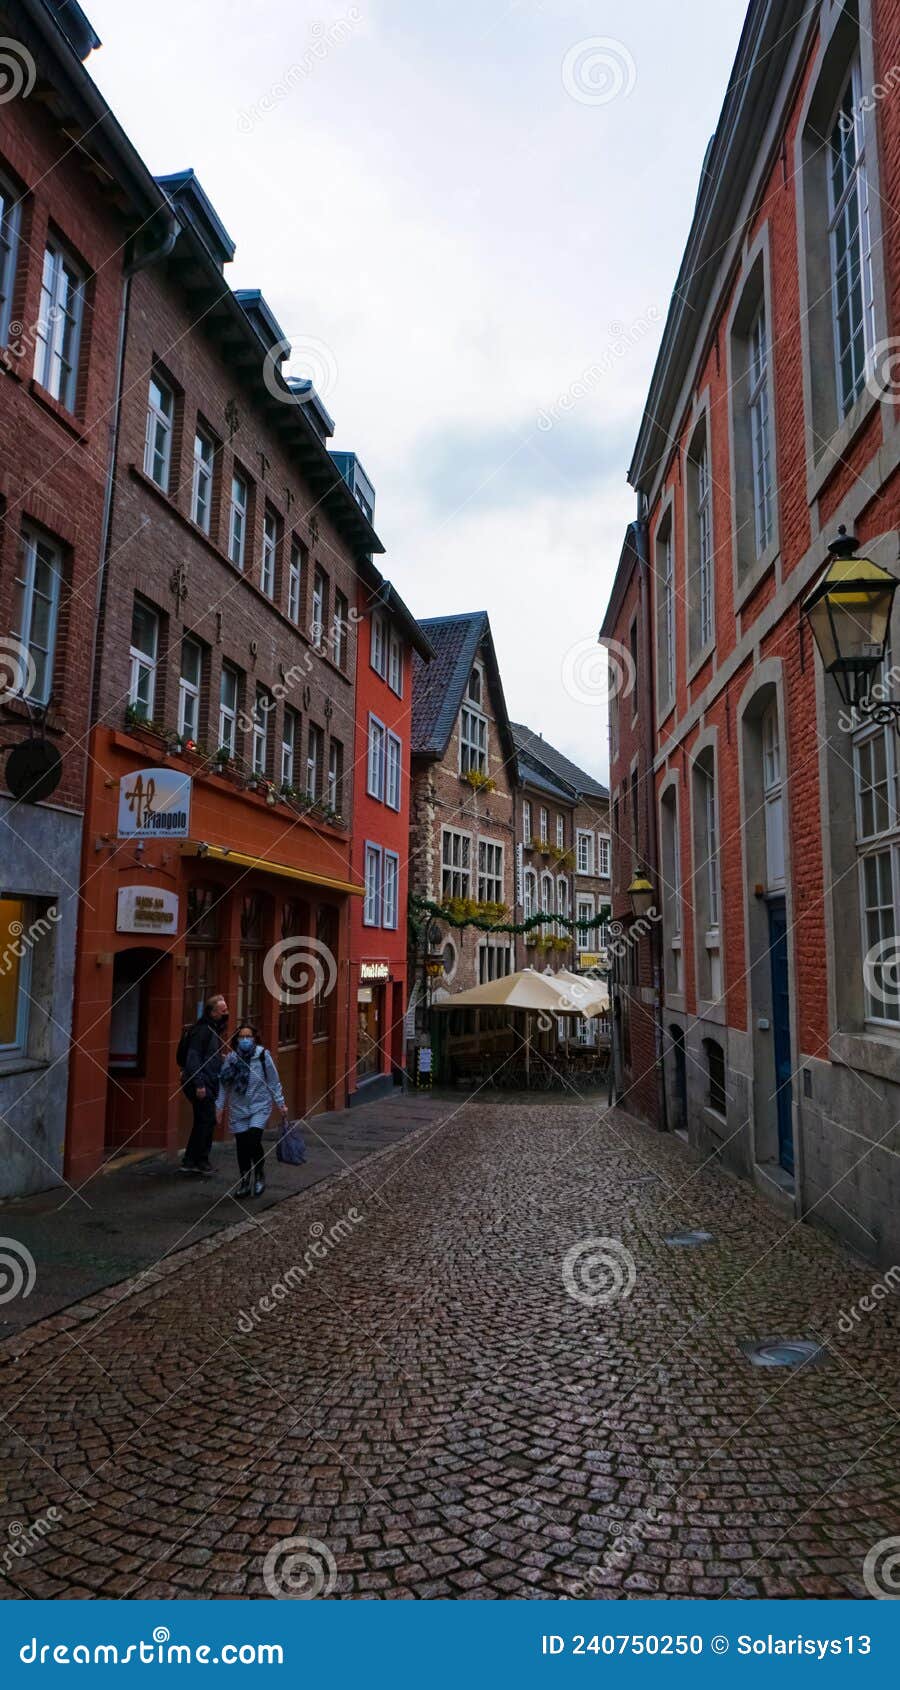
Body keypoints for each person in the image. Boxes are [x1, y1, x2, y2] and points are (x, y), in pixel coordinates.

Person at [216, 1022, 288, 1198]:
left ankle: (259, 1174)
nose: (245, 1040)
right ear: (236, 1039)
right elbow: (224, 1084)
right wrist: (219, 1107)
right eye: (242, 1037)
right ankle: (245, 1180)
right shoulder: (232, 1059)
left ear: (254, 1038)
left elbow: (273, 1081)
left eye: (248, 1036)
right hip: (238, 1108)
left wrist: (280, 1103)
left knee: (253, 1140)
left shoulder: (262, 1056)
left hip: (259, 1106)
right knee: (242, 1146)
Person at [180, 993, 229, 1174]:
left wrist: (220, 1059)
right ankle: (200, 1160)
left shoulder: (211, 1029)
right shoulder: (203, 1031)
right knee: (206, 1120)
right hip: (201, 1083)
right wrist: (199, 1084)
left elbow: (205, 1056)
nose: (226, 1013)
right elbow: (193, 1059)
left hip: (206, 1081)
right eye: (223, 1011)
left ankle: (190, 1160)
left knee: (203, 1120)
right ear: (212, 1013)